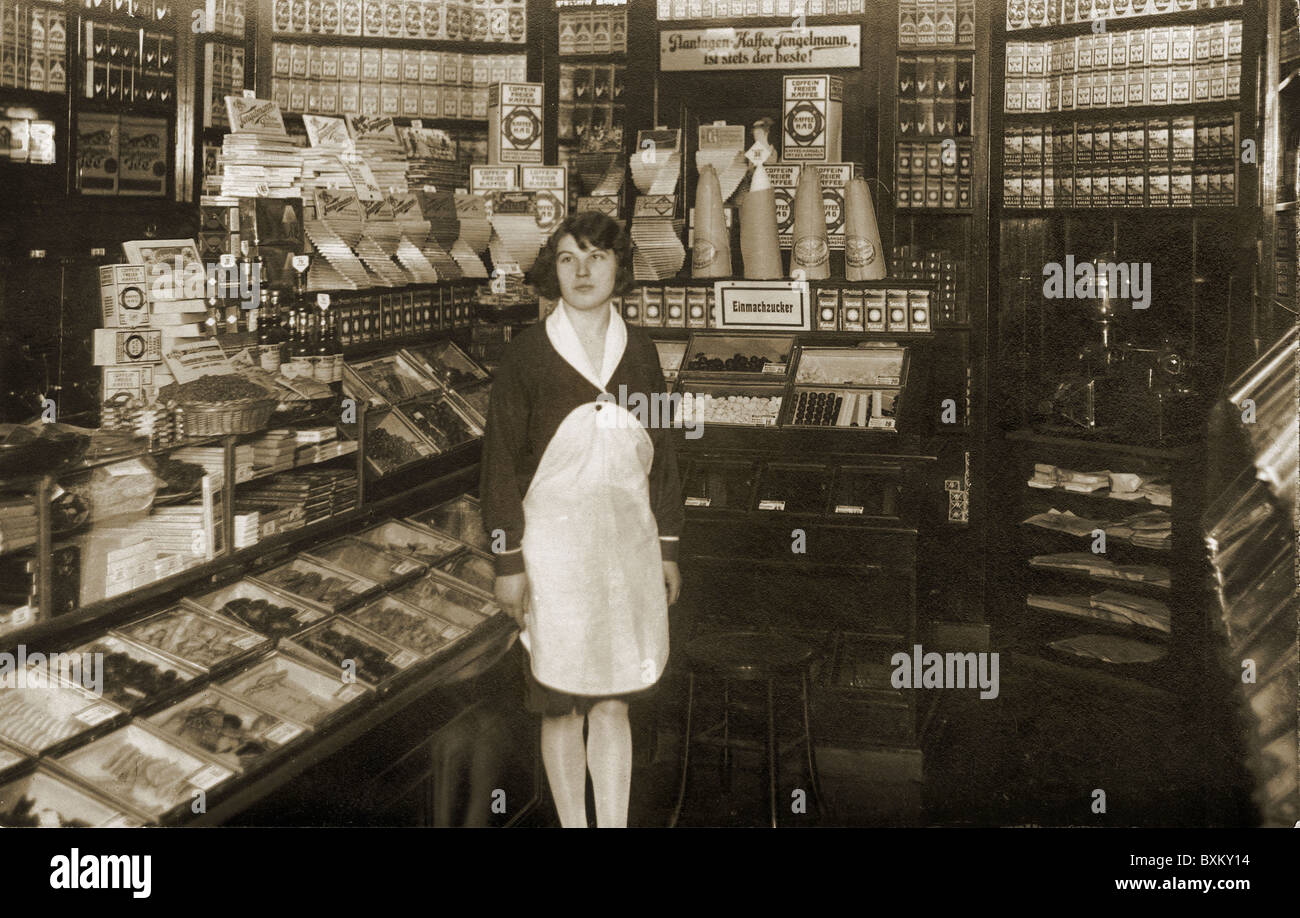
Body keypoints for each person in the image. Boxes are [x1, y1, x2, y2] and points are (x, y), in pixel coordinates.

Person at [479, 212, 683, 828]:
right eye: (568, 258)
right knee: (561, 703)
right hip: (554, 555)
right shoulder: (527, 356)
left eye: (596, 256)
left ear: (619, 268)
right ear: (552, 271)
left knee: (615, 701)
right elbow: (499, 469)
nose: (583, 270)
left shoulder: (641, 353)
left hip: (627, 549)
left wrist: (669, 548)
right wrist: (508, 562)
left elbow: (665, 456)